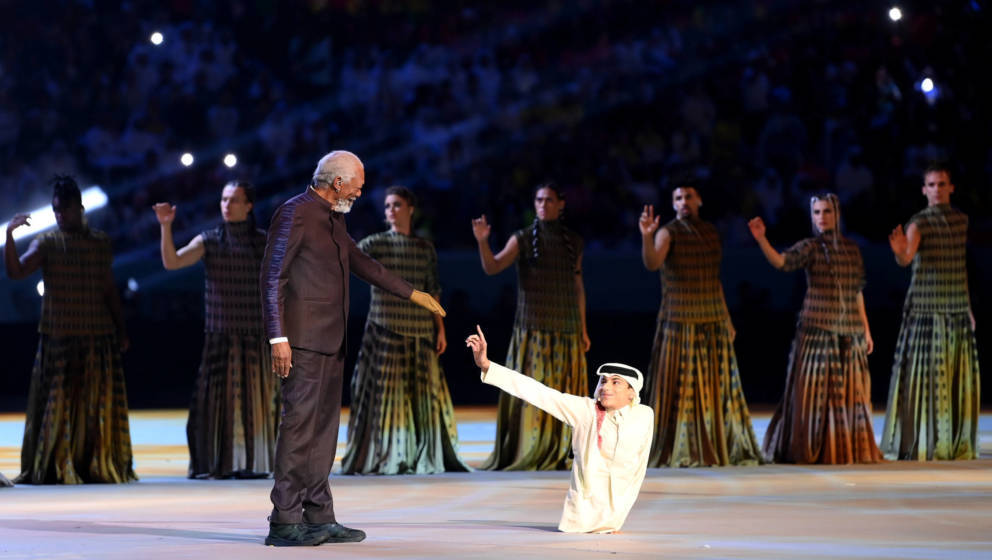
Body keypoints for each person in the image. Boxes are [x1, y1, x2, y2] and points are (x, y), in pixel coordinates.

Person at [261, 150, 446, 546]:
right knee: (298, 428)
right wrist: (278, 337)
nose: (362, 192)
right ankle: (284, 520)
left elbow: (362, 262)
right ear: (338, 182)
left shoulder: (334, 218)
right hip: (302, 342)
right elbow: (273, 275)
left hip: (332, 339)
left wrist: (413, 294)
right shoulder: (295, 212)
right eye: (358, 185)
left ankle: (318, 516)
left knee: (324, 431)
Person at [4, 175, 135, 484]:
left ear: (79, 208)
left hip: (96, 336)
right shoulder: (47, 243)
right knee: (57, 408)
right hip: (59, 337)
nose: (60, 216)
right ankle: (56, 464)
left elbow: (109, 290)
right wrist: (9, 235)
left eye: (64, 210)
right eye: (55, 211)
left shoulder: (100, 243)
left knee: (94, 410)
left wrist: (121, 329)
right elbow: (16, 271)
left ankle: (93, 463)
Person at [465, 325, 653, 534]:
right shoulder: (586, 411)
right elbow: (539, 393)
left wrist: (620, 511)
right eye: (603, 381)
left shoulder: (644, 415)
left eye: (615, 382)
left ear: (631, 393)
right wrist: (487, 365)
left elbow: (639, 466)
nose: (605, 387)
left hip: (616, 511)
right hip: (582, 511)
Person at [153, 180, 279, 479]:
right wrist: (165, 226)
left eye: (234, 199)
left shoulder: (264, 242)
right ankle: (215, 462)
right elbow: (172, 262)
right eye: (224, 199)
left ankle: (256, 462)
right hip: (220, 335)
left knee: (260, 405)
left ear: (248, 206)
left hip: (254, 334)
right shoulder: (209, 240)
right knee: (212, 405)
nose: (227, 205)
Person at [342, 186, 469, 475]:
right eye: (387, 206)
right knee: (384, 397)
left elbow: (433, 290)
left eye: (397, 205)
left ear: (411, 209)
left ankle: (418, 453)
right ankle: (389, 454)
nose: (391, 210)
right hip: (384, 329)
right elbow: (345, 259)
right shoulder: (373, 244)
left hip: (420, 330)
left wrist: (441, 329)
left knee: (423, 397)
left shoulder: (425, 249)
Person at [748, 194, 883, 464]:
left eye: (827, 211)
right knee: (815, 396)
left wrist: (866, 330)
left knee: (851, 395)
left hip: (850, 332)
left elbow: (857, 292)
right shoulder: (810, 247)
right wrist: (762, 239)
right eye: (817, 212)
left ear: (837, 214)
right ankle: (816, 448)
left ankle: (846, 448)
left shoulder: (852, 249)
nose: (822, 217)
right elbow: (781, 262)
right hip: (818, 329)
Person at [638, 182, 763, 467]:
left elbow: (713, 278)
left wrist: (727, 318)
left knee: (714, 388)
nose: (684, 202)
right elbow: (653, 263)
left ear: (699, 200)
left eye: (688, 196)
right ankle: (680, 447)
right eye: (678, 198)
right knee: (678, 390)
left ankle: (714, 442)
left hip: (712, 319)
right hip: (678, 320)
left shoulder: (710, 232)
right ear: (673, 204)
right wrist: (647, 237)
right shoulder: (667, 232)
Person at [471, 182, 590, 471]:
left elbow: (577, 286)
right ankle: (531, 447)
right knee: (531, 391)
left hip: (567, 328)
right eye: (539, 199)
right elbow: (493, 267)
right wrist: (483, 241)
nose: (543, 204)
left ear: (561, 204)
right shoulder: (522, 239)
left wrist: (583, 328)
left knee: (565, 394)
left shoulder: (574, 241)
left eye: (549, 199)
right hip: (533, 328)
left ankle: (563, 448)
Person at [882, 164, 980, 460]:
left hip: (956, 307)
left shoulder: (962, 220)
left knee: (954, 377)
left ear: (951, 188)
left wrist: (968, 307)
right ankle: (926, 442)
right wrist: (900, 252)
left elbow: (960, 267)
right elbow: (907, 257)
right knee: (924, 380)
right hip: (926, 309)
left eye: (941, 184)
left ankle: (951, 441)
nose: (937, 189)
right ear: (924, 190)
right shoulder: (919, 222)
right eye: (931, 184)